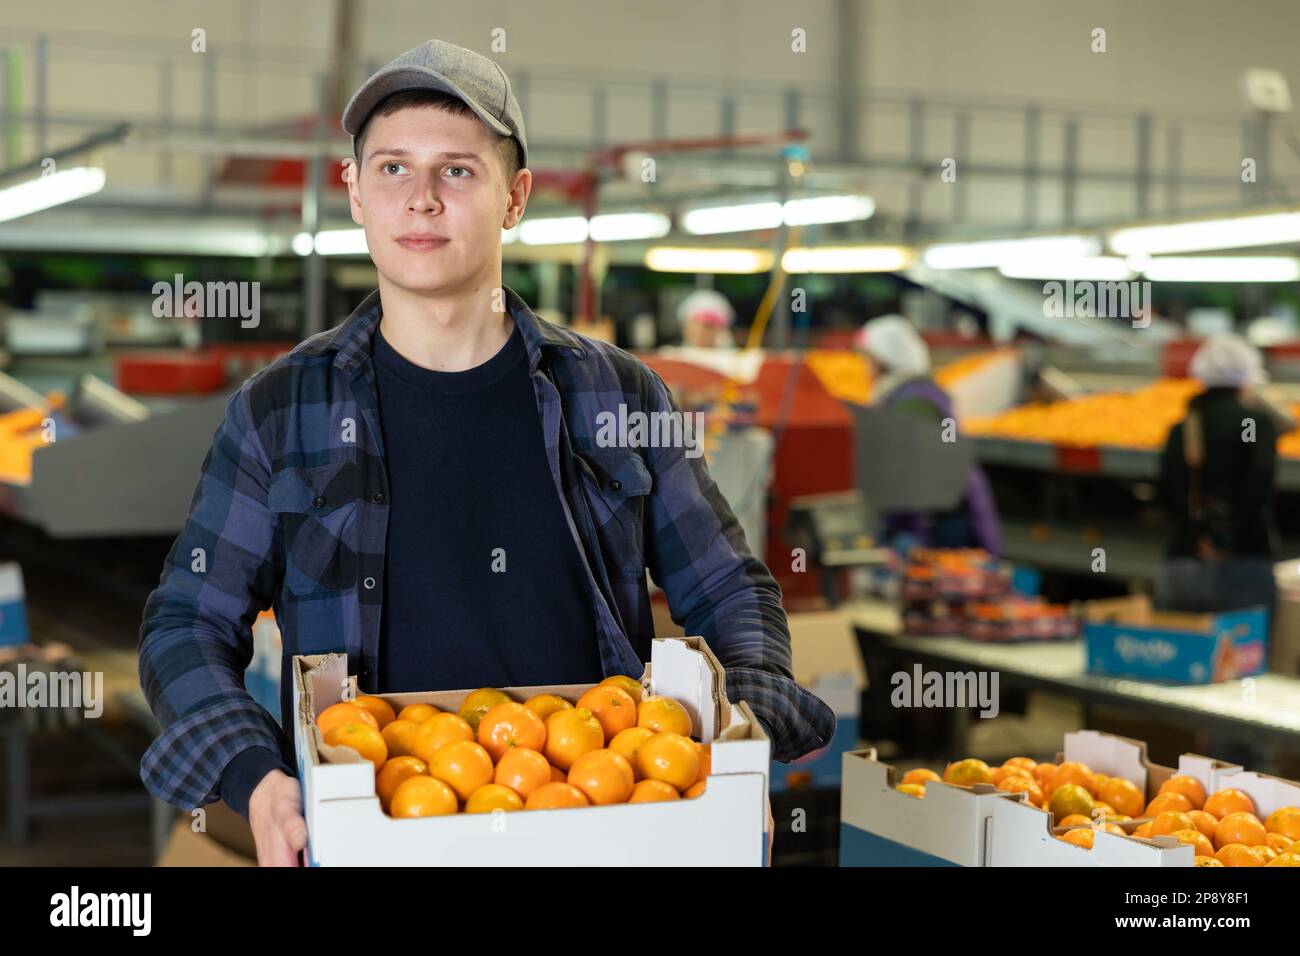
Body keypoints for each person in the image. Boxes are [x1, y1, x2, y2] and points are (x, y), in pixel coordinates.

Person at [137, 39, 833, 865]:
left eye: (458, 171)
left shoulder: (617, 396)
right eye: (392, 168)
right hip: (378, 830)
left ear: (515, 197)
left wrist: (737, 740)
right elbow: (187, 620)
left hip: (603, 820)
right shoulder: (283, 408)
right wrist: (255, 775)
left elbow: (728, 587)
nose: (421, 200)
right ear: (355, 193)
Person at [854, 315, 1002, 555]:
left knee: (949, 579)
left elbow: (905, 471)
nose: (866, 369)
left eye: (870, 361)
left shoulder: (912, 403)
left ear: (884, 362)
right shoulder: (917, 392)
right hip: (949, 510)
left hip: (944, 521)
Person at [1158, 332, 1278, 614]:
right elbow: (1260, 485)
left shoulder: (1182, 429)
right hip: (1243, 566)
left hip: (1184, 564)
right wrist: (1232, 536)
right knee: (1241, 654)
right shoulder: (1256, 423)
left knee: (1187, 652)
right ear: (1247, 378)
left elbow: (1166, 494)